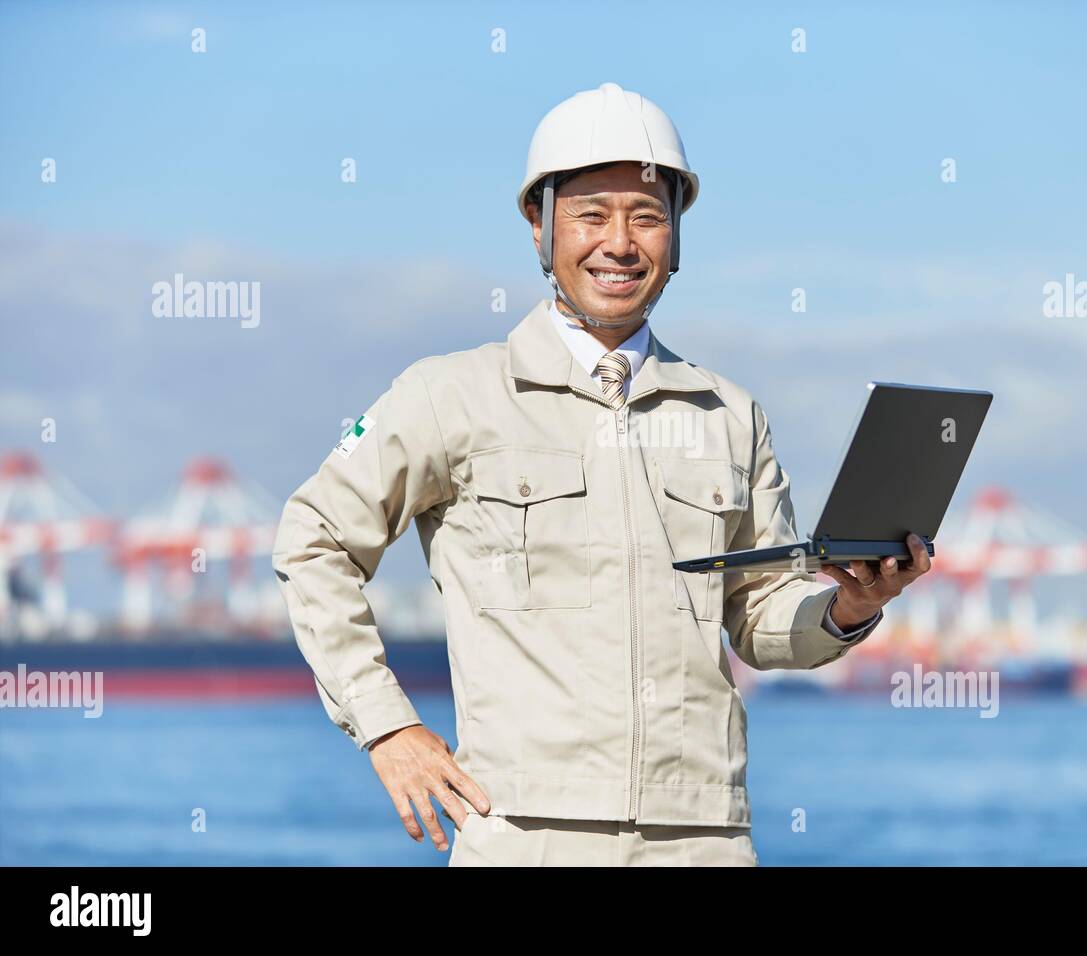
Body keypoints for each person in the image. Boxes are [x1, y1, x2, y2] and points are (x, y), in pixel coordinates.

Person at [271, 82, 932, 867]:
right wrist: (387, 726)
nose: (619, 243)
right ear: (539, 225)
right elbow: (311, 540)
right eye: (590, 214)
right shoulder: (449, 394)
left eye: (647, 216)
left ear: (676, 235)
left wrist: (848, 606)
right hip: (523, 835)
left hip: (705, 839)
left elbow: (758, 622)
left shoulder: (728, 414)